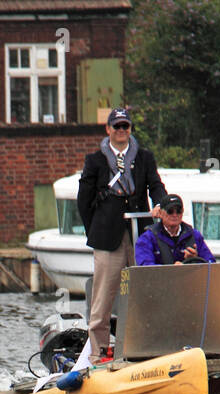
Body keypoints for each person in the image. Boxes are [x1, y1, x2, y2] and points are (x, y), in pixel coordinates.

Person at [77, 107, 168, 362]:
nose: (121, 131)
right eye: (116, 126)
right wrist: (94, 230)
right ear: (108, 130)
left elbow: (156, 185)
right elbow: (83, 200)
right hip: (108, 237)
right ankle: (98, 353)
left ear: (130, 130)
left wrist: (160, 202)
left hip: (140, 234)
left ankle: (145, 347)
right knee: (103, 297)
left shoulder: (145, 158)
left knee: (144, 292)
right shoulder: (95, 160)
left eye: (125, 126)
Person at [134, 193, 216, 266]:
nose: (175, 214)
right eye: (170, 211)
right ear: (161, 213)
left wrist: (195, 260)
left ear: (182, 212)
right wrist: (172, 271)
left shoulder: (195, 236)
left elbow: (211, 264)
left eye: (178, 211)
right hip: (161, 282)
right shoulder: (147, 238)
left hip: (190, 281)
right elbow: (145, 267)